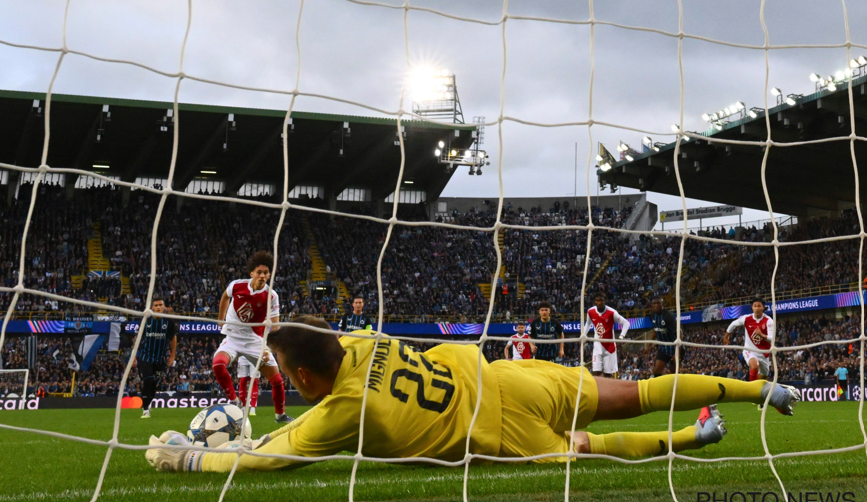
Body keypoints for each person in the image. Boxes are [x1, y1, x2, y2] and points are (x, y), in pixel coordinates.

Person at [145, 316, 801, 473]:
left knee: (586, 447)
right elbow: (317, 345)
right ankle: (758, 388)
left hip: (498, 429)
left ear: (306, 381)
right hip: (508, 376)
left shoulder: (344, 411)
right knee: (638, 390)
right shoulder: (365, 339)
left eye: (291, 377)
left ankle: (694, 439)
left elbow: (263, 457)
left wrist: (184, 456)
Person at [212, 250, 293, 423]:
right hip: (233, 338)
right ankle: (235, 402)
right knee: (218, 364)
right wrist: (221, 319)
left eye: (265, 273)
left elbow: (275, 327)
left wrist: (268, 348)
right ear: (252, 273)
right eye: (259, 272)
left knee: (277, 380)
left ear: (269, 274)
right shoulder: (237, 285)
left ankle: (280, 415)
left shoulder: (272, 296)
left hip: (255, 341)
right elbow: (225, 296)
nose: (262, 275)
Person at [135, 297, 178, 418]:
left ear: (164, 307)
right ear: (152, 307)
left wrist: (172, 356)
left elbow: (173, 339)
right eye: (156, 305)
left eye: (160, 305)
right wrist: (134, 356)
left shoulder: (169, 322)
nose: (158, 307)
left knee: (154, 383)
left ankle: (148, 405)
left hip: (160, 360)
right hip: (145, 357)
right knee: (148, 380)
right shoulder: (145, 320)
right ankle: (145, 409)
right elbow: (137, 339)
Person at [724, 299, 774, 382]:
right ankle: (751, 387)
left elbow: (772, 339)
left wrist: (761, 335)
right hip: (750, 350)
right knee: (754, 366)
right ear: (752, 308)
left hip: (764, 353)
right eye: (755, 306)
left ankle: (757, 389)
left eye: (759, 306)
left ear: (763, 308)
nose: (757, 308)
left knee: (763, 377)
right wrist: (726, 336)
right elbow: (733, 324)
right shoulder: (746, 318)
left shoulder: (769, 321)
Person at [582, 293, 629, 378]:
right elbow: (588, 324)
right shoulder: (590, 311)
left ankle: (611, 391)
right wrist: (583, 335)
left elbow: (626, 323)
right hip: (597, 346)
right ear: (594, 301)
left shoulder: (611, 312)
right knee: (596, 373)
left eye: (601, 300)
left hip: (609, 348)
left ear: (605, 301)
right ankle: (597, 391)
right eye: (597, 300)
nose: (599, 303)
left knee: (608, 375)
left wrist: (621, 337)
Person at [645, 297, 677, 378]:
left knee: (674, 373)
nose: (656, 305)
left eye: (658, 303)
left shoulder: (668, 316)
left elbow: (678, 333)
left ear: (662, 304)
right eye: (654, 304)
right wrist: (648, 346)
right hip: (663, 348)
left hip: (674, 347)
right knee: (656, 372)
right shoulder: (652, 316)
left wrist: (677, 352)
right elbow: (655, 330)